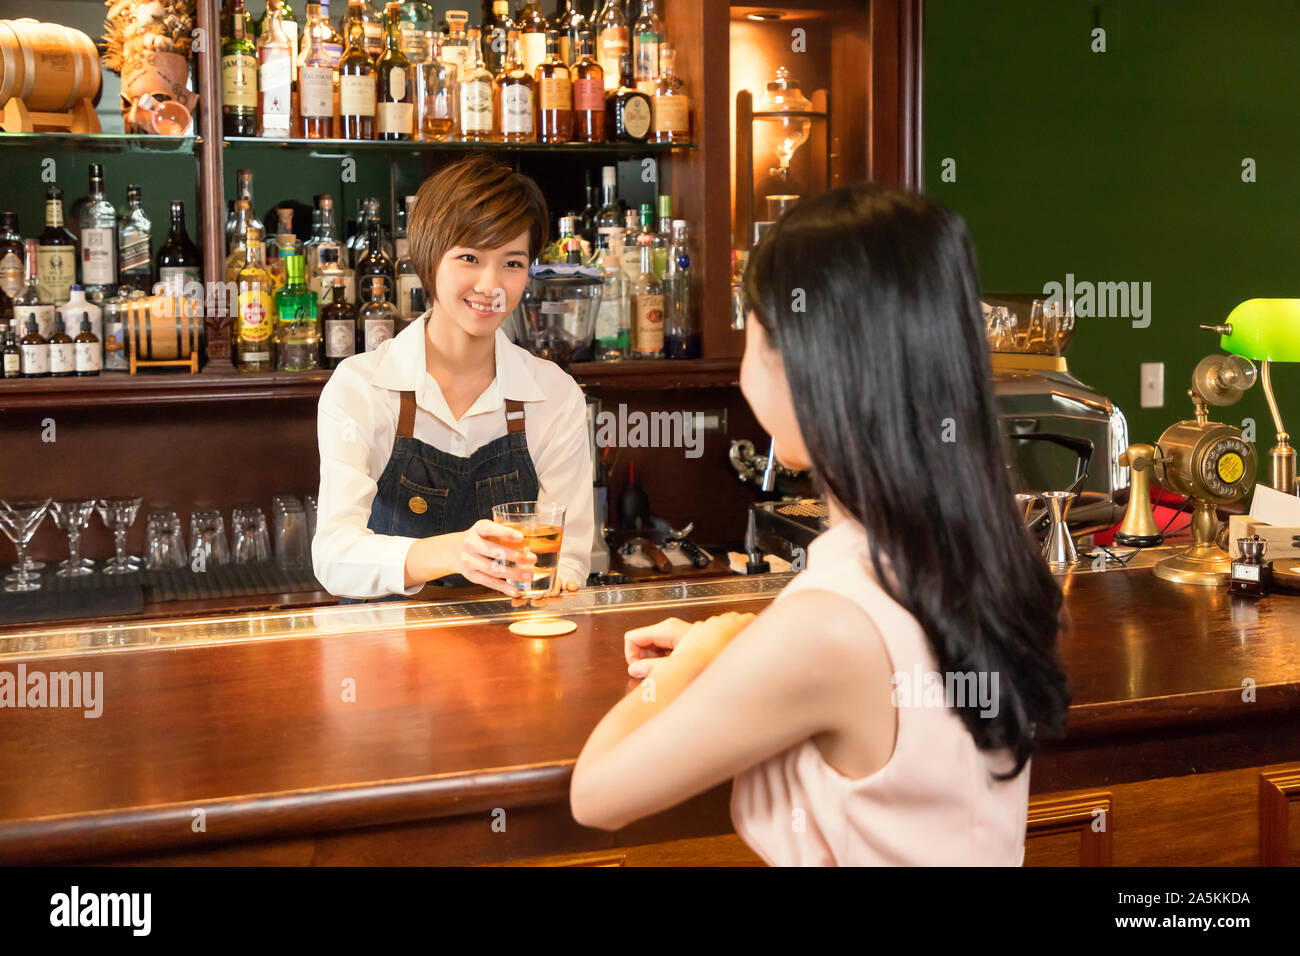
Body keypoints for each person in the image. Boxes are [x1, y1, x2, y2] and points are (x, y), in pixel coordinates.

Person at [569, 183, 1070, 865]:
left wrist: (692, 662)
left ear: (808, 370)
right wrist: (743, 654)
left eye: (755, 336)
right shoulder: (976, 554)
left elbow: (596, 794)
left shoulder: (831, 626)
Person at [312, 155, 594, 603]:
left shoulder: (553, 395)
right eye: (469, 257)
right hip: (384, 653)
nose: (491, 284)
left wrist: (565, 576)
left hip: (512, 644)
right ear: (427, 256)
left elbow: (572, 554)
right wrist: (454, 552)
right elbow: (334, 556)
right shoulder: (361, 388)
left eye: (513, 263)